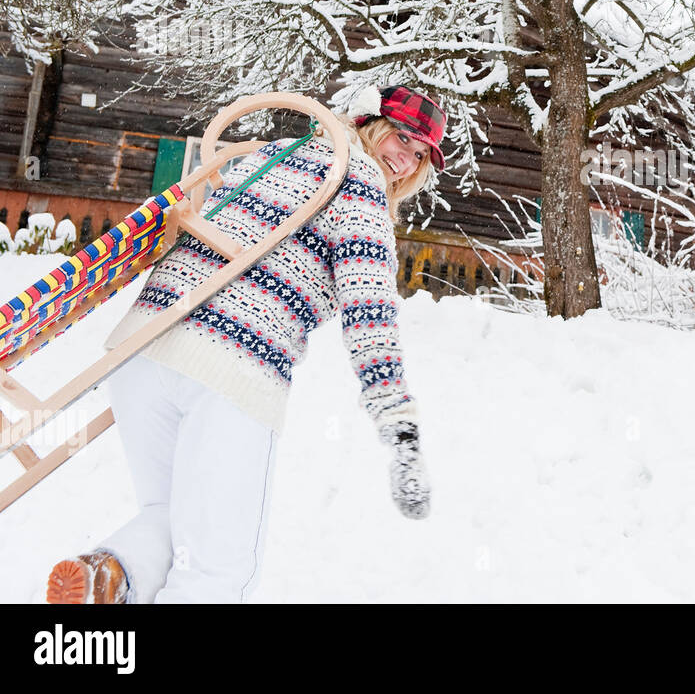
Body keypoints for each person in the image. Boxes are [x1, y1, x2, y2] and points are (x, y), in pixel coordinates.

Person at [44, 85, 446, 604]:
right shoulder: (359, 183)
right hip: (231, 363)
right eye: (402, 139)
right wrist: (401, 432)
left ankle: (108, 576)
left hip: (140, 350)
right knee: (221, 569)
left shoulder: (272, 153)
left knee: (174, 515)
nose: (405, 161)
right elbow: (371, 316)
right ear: (371, 124)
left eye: (420, 156)